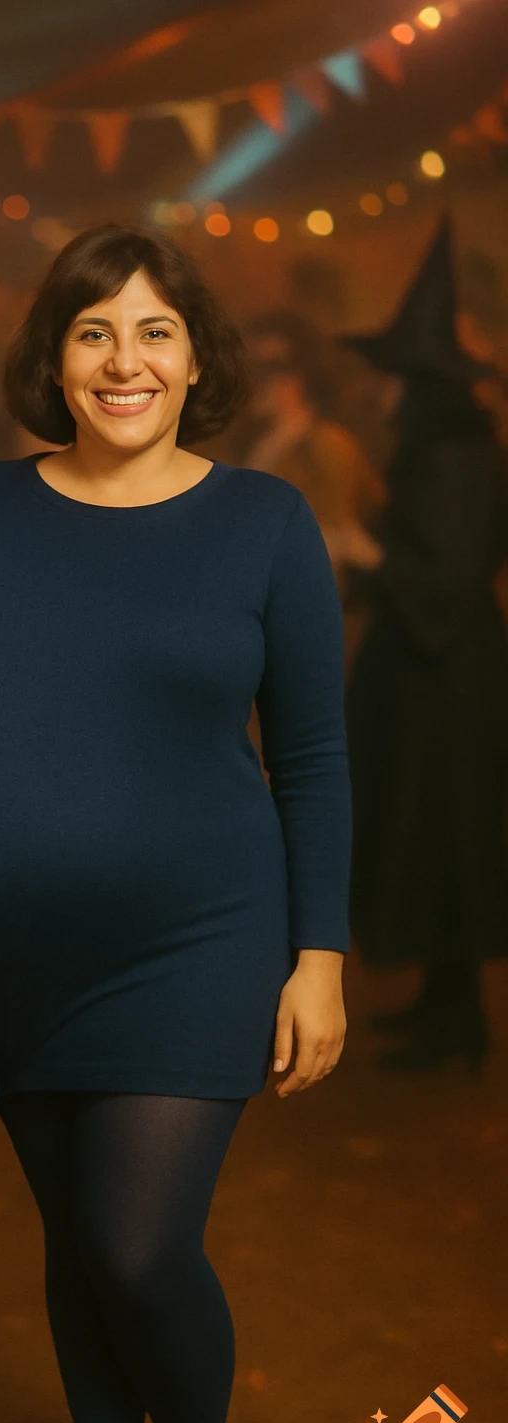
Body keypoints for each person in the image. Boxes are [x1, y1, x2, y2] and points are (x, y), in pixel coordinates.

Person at [0, 225, 350, 1423]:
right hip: (17, 943)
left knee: (139, 1241)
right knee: (76, 1245)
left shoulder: (264, 521)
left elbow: (312, 759)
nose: (124, 359)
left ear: (198, 360)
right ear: (56, 359)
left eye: (154, 331)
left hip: (201, 937)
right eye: (93, 332)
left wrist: (320, 958)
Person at [344, 216, 508, 1071]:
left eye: (389, 377)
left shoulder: (453, 455)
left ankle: (458, 1023)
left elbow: (444, 575)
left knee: (446, 838)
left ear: (418, 383)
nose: (376, 391)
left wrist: (365, 549)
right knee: (435, 839)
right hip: (435, 677)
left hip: (447, 682)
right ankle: (443, 1006)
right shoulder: (446, 447)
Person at [241, 311, 385, 600]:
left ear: (302, 376)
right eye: (252, 368)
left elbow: (335, 552)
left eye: (270, 369)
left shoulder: (327, 445)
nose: (257, 382)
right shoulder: (263, 446)